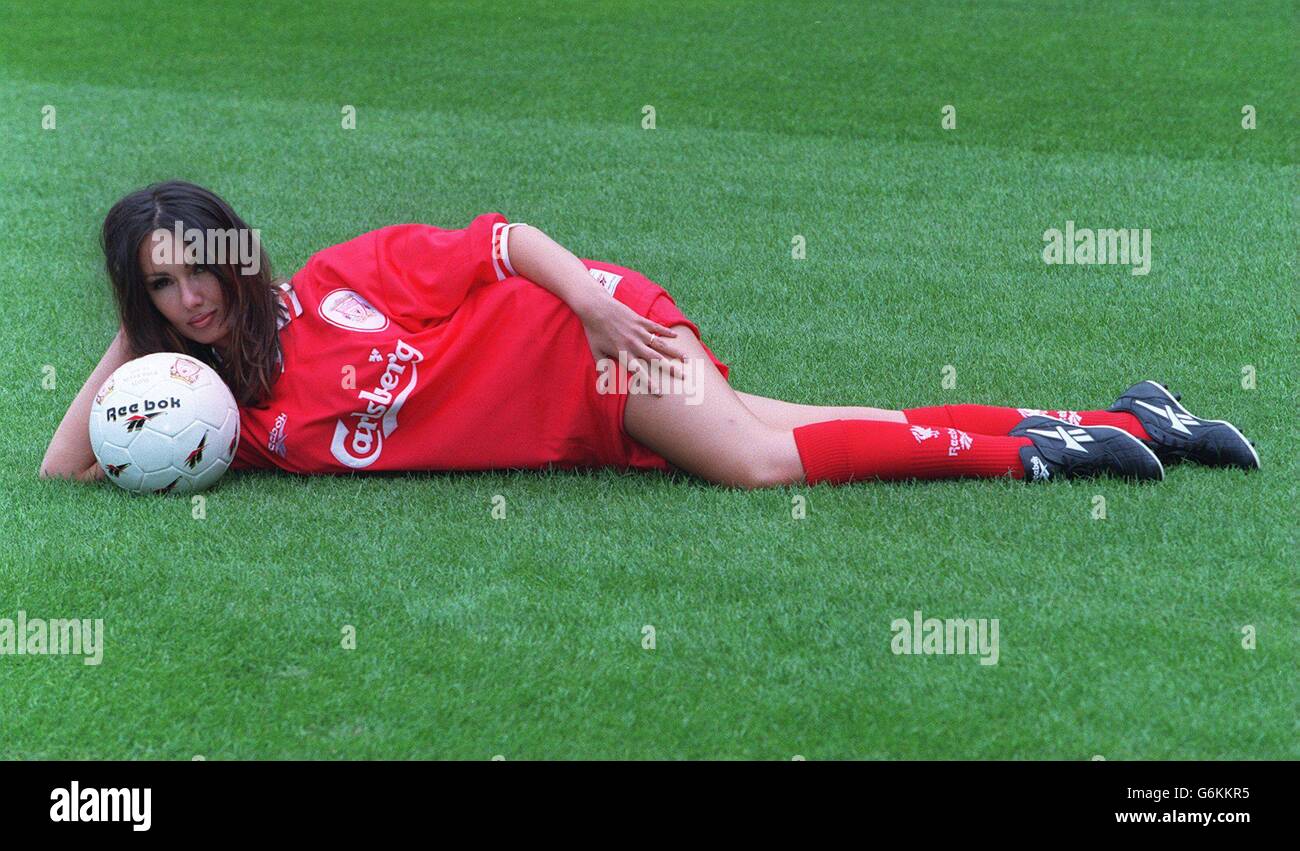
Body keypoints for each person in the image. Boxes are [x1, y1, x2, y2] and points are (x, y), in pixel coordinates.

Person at [40, 181, 1260, 488]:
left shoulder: (340, 282)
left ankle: (1043, 458)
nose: (191, 301)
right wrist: (129, 336)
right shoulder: (228, 427)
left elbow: (502, 240)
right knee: (810, 424)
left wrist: (589, 301)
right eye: (161, 289)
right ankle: (1118, 415)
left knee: (760, 463)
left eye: (199, 270)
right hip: (580, 418)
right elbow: (66, 466)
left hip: (590, 339)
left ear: (238, 255)